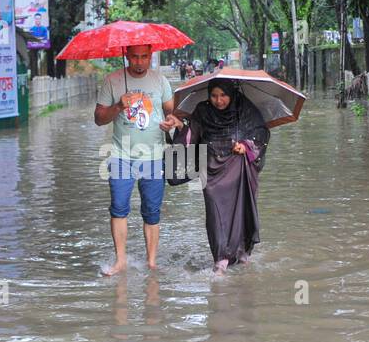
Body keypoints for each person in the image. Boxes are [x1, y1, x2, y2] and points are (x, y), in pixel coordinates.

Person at [94, 44, 180, 275]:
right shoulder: (112, 81)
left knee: (152, 211)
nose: (139, 62)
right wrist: (119, 105)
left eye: (144, 57)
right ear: (126, 56)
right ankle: (120, 261)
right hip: (121, 155)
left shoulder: (160, 81)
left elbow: (172, 112)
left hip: (154, 156)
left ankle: (151, 262)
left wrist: (171, 122)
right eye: (134, 57)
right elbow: (99, 119)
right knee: (118, 208)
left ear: (150, 56)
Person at [178, 77, 270, 275]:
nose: (218, 101)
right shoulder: (202, 111)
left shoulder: (244, 108)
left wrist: (245, 145)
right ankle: (220, 258)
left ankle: (242, 251)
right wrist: (178, 127)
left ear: (231, 94)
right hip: (210, 168)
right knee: (215, 214)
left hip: (239, 167)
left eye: (223, 96)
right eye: (214, 96)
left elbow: (261, 133)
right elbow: (190, 135)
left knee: (241, 209)